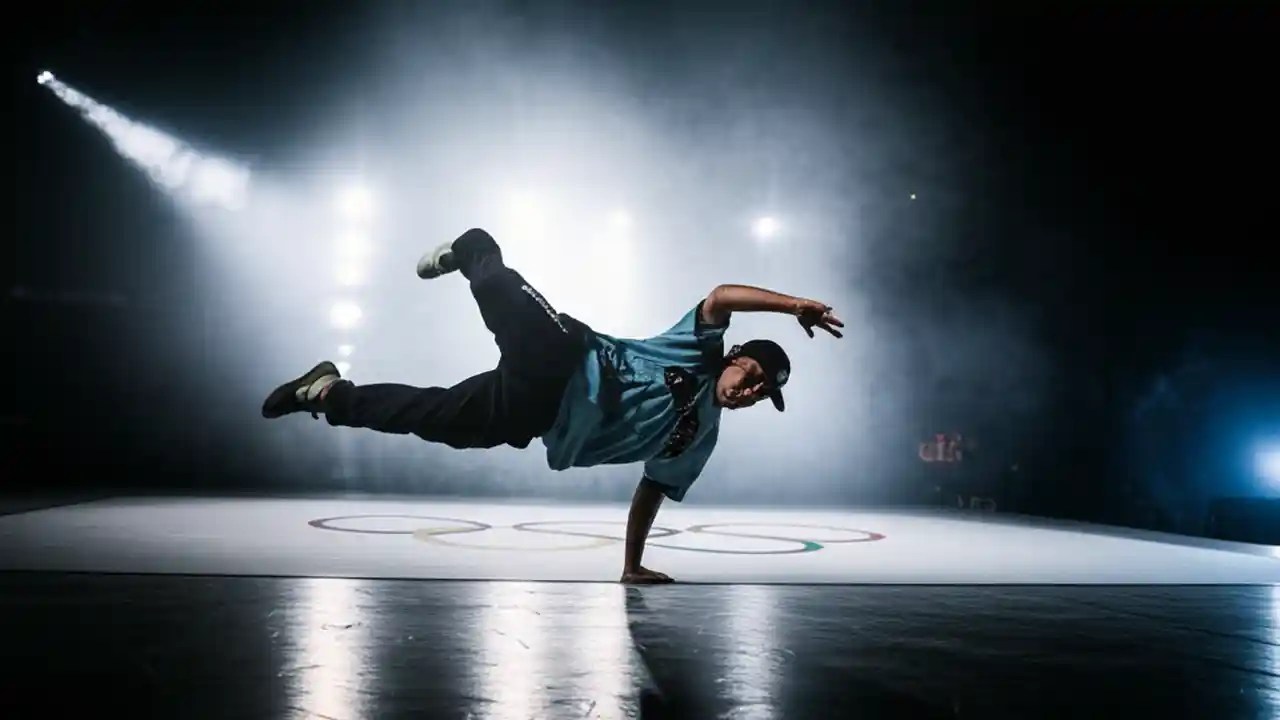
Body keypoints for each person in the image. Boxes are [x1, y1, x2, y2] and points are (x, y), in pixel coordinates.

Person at [261, 228, 843, 583]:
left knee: (434, 420)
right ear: (735, 357)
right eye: (752, 374)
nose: (749, 390)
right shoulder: (696, 350)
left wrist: (631, 565)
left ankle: (327, 393)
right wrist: (794, 305)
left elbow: (652, 490)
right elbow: (720, 297)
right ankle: (476, 251)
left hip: (535, 414)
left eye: (762, 393)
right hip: (566, 357)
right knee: (513, 311)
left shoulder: (700, 437)